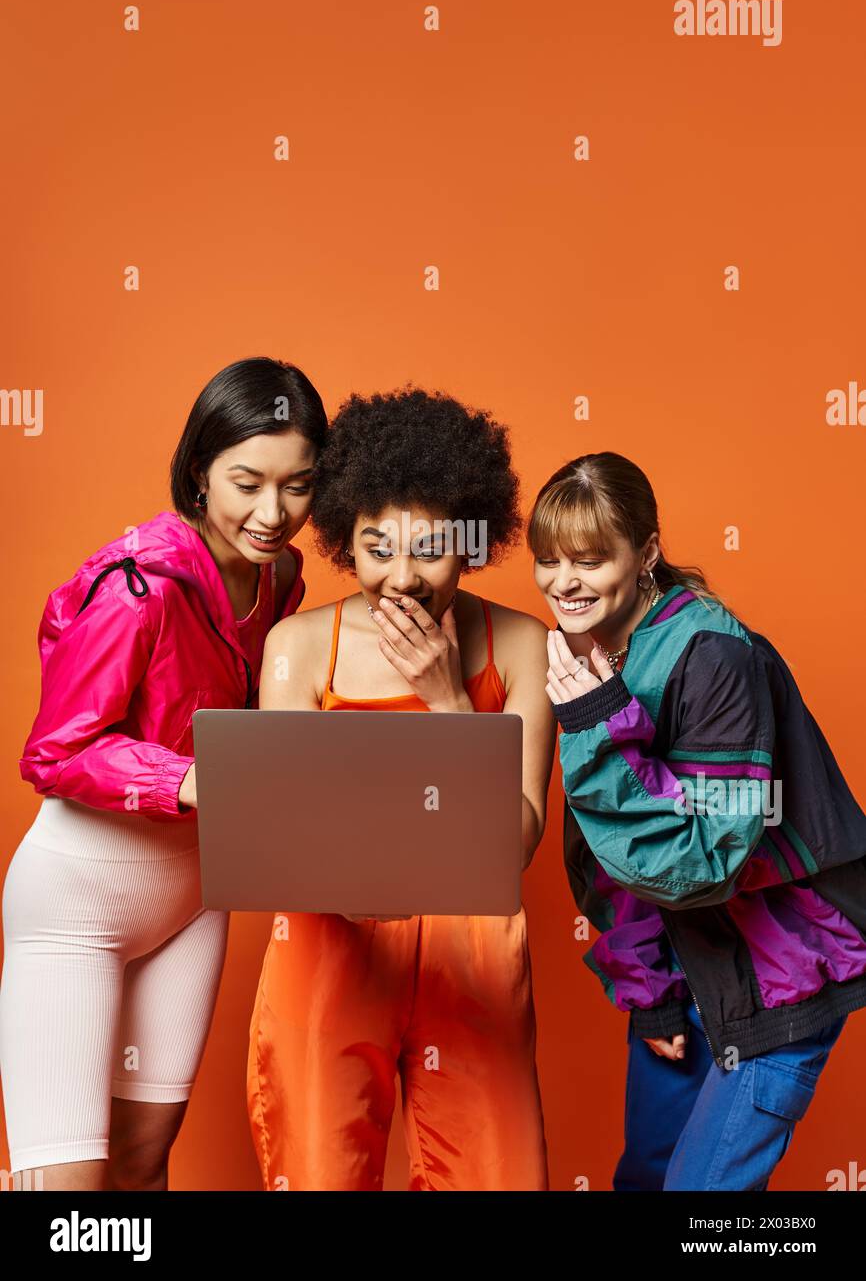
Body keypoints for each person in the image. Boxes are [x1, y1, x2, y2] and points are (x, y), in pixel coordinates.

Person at [0, 357, 326, 1191]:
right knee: (64, 1195)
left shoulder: (281, 577)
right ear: (198, 473)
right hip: (81, 900)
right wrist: (191, 781)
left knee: (142, 1166)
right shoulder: (134, 587)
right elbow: (54, 752)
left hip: (192, 895)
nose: (272, 513)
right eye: (247, 482)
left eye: (297, 486)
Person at [530, 450, 866, 1191]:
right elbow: (609, 861)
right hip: (688, 970)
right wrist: (648, 992)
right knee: (647, 1179)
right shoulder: (600, 652)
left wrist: (598, 723)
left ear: (647, 551)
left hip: (784, 969)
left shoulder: (714, 657)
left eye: (588, 560)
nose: (564, 582)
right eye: (548, 560)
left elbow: (706, 859)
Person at [246, 387, 555, 1190]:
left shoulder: (522, 646)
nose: (403, 578)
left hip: (472, 956)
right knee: (320, 1173)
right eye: (379, 547)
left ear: (474, 544)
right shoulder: (299, 646)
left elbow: (516, 839)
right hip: (331, 951)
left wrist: (451, 699)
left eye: (432, 550)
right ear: (347, 539)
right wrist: (354, 889)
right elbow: (280, 831)